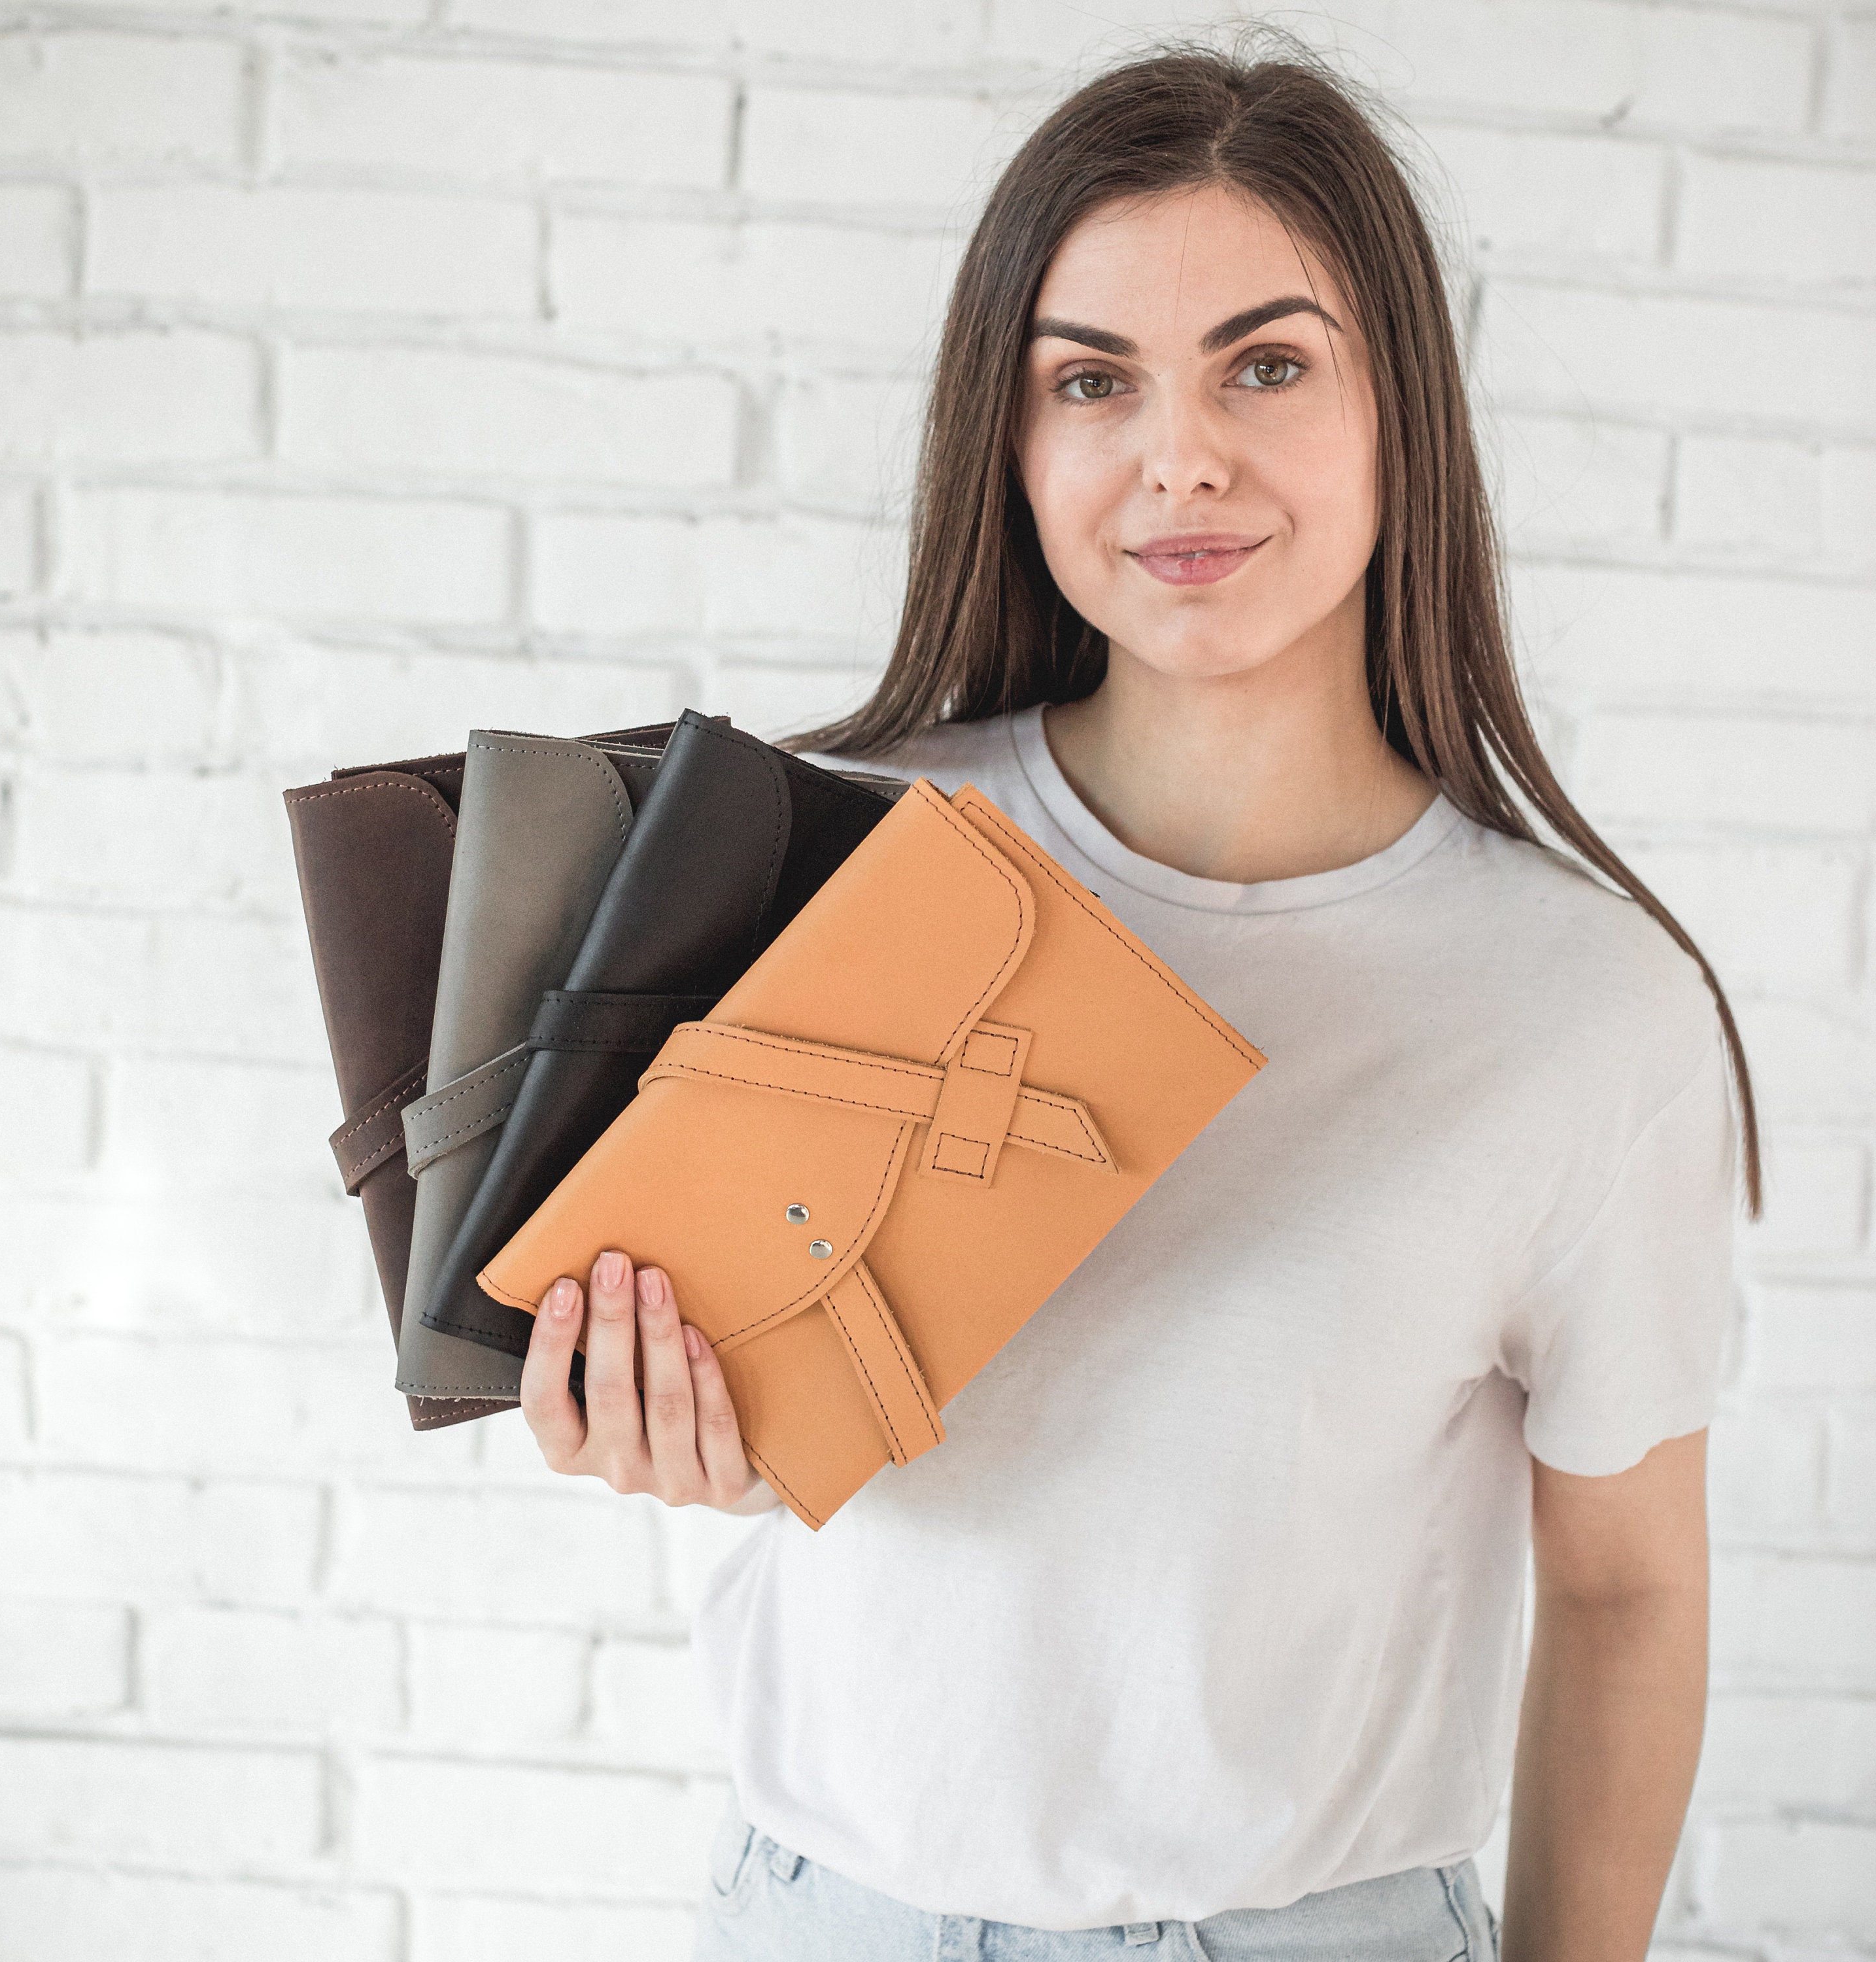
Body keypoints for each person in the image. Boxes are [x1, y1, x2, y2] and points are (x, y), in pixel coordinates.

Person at [516, 44, 1758, 1962]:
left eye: (1267, 364)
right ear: (1012, 445)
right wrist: (659, 1429)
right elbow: (745, 1390)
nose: (1181, 456)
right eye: (1094, 380)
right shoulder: (823, 868)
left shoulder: (1586, 1014)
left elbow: (1622, 1600)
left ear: (1397, 410)